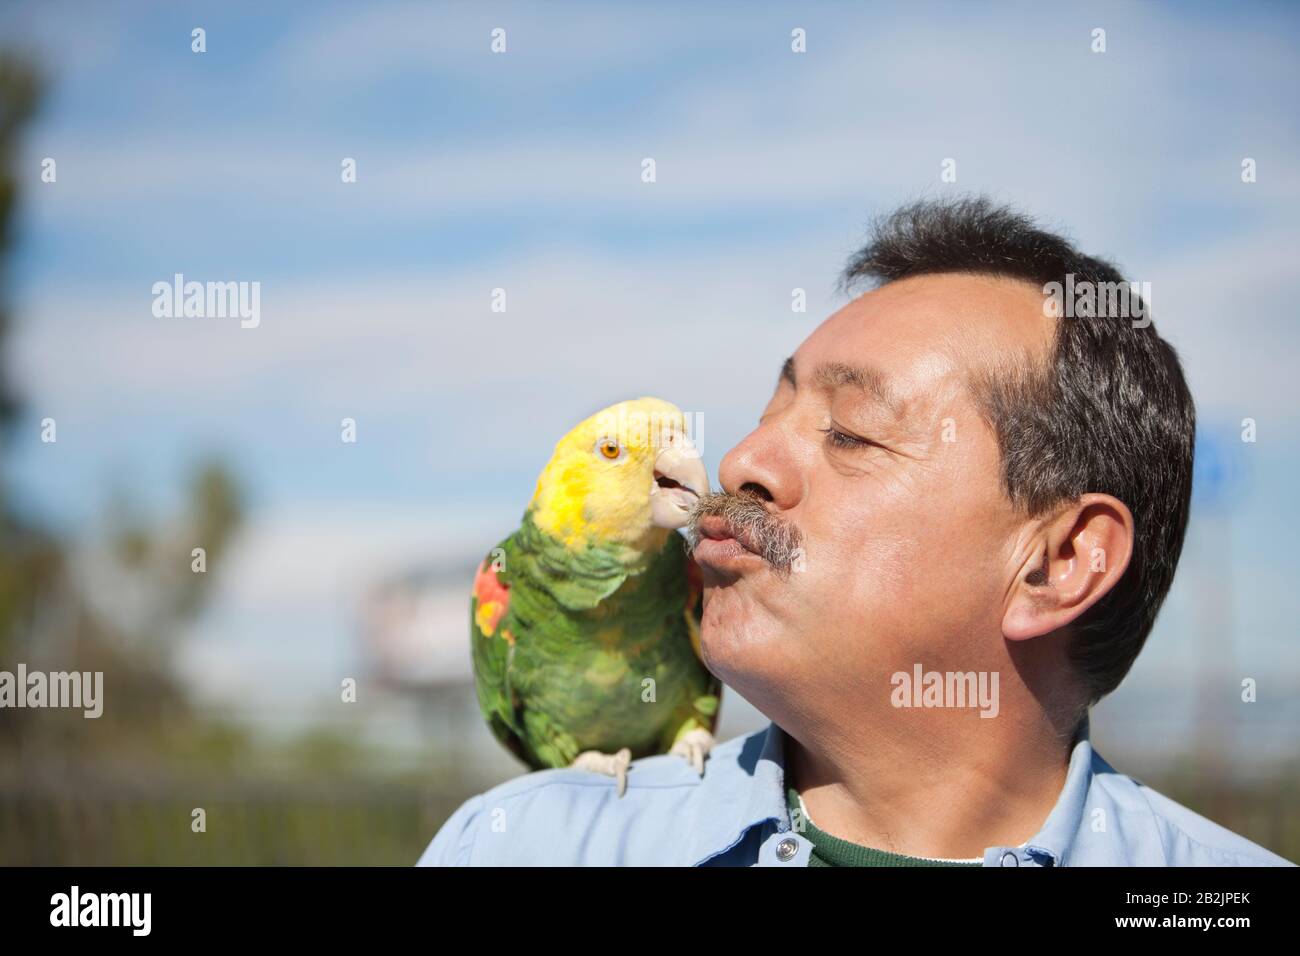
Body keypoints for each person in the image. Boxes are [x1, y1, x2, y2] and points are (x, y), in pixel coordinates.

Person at [418, 197, 1293, 867]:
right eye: (772, 409)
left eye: (849, 431)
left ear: (1059, 563)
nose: (741, 462)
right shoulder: (522, 847)